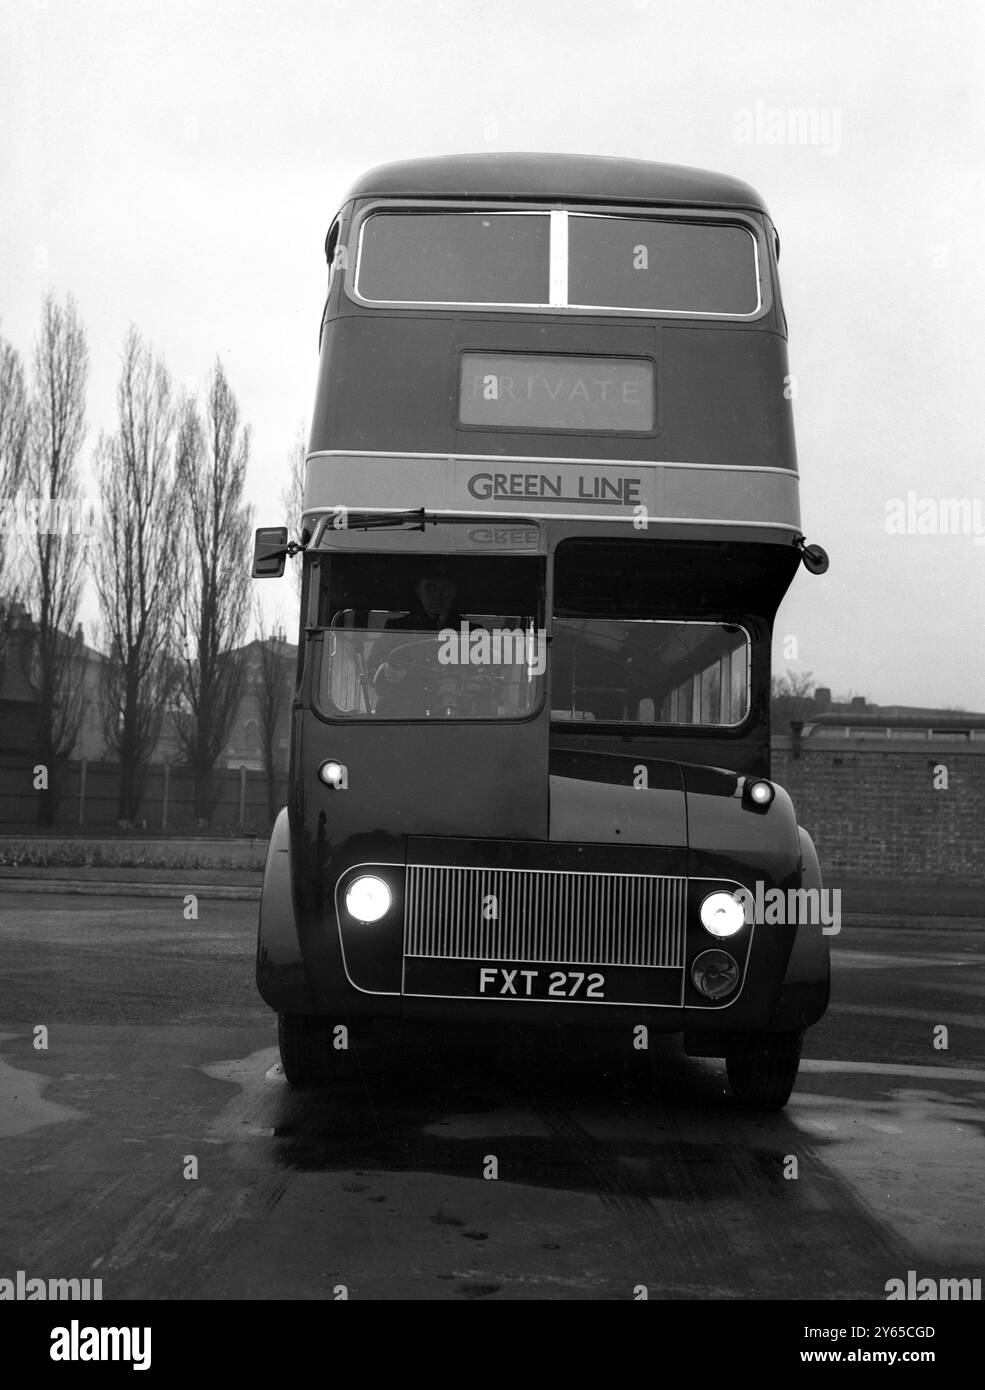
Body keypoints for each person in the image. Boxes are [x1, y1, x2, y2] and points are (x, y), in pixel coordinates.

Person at [371, 569, 485, 716]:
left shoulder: (473, 632)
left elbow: (487, 671)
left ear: (454, 593)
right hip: (407, 708)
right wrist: (385, 668)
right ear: (419, 592)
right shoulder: (396, 628)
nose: (438, 595)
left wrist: (478, 679)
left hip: (461, 706)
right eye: (431, 588)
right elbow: (374, 665)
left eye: (446, 589)